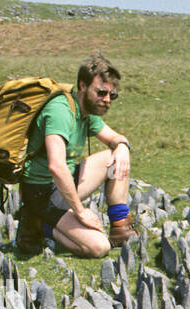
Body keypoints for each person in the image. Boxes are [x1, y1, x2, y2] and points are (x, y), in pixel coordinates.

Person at [17, 54, 137, 257]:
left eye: (112, 95)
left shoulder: (87, 111)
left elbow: (114, 138)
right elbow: (56, 166)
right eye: (101, 92)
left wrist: (123, 147)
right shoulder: (60, 111)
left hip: (63, 185)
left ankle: (120, 227)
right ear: (82, 85)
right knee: (98, 247)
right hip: (41, 192)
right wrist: (80, 211)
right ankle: (38, 223)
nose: (106, 100)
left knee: (115, 156)